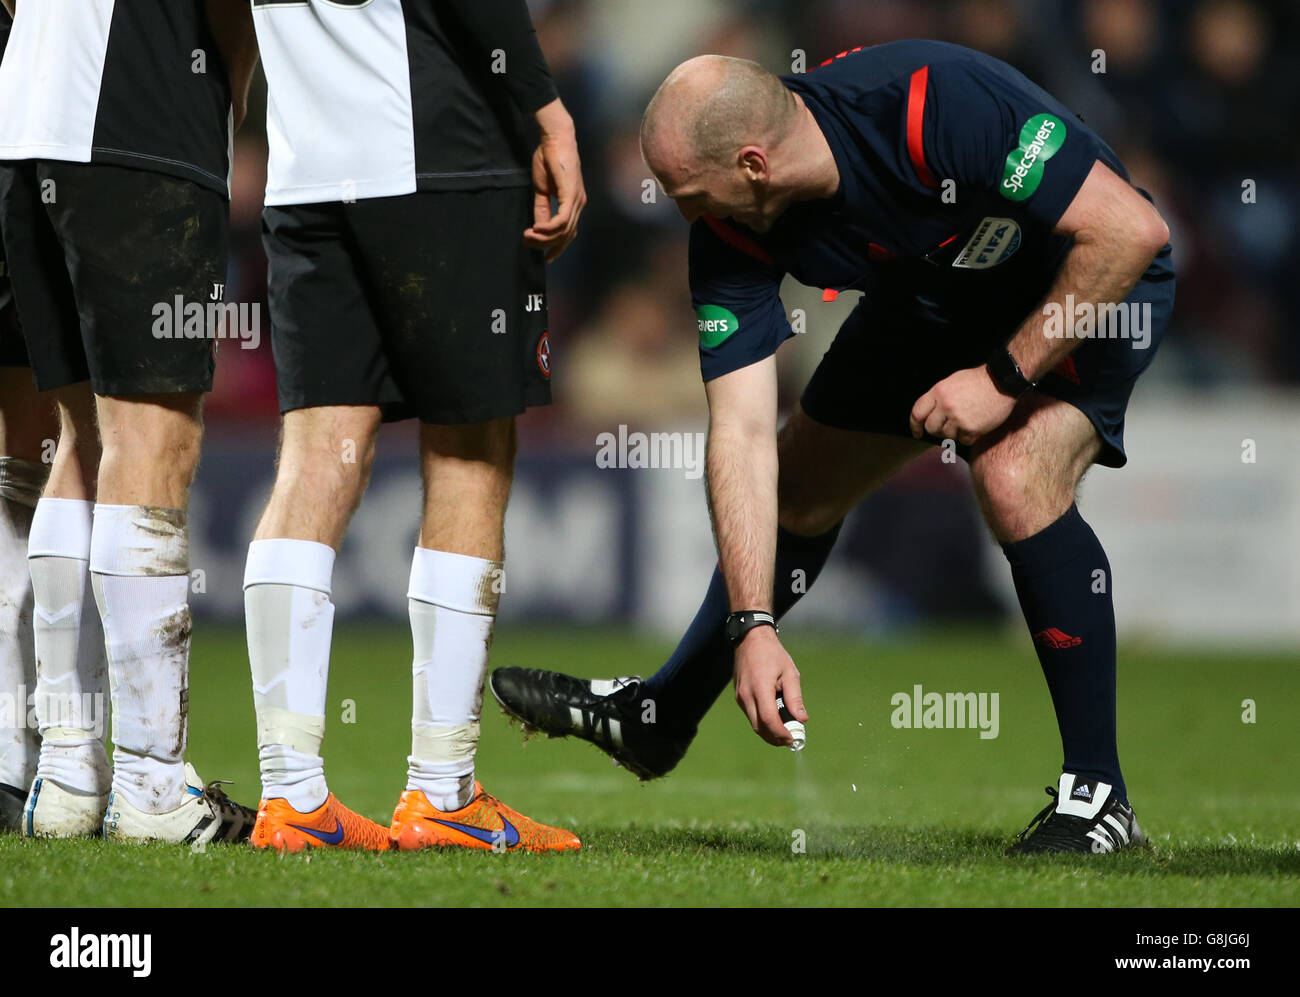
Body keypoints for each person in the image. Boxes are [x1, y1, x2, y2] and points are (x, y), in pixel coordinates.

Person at [491, 43, 1174, 855]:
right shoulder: (731, 230)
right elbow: (742, 435)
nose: (677, 211)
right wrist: (752, 624)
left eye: (683, 192)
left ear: (751, 164)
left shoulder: (931, 106)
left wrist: (1002, 376)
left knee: (1014, 475)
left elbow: (1131, 229)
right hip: (932, 295)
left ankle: (1099, 795)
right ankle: (660, 717)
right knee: (799, 491)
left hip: (1080, 284)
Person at [244, 0, 586, 853]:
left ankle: (290, 798)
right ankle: (442, 791)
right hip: (440, 148)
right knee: (471, 449)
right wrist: (547, 107)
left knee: (316, 454)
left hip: (306, 160)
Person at [0, 0, 261, 843]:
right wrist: (236, 83)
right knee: (152, 440)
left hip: (26, 119)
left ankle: (69, 775)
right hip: (139, 121)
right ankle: (152, 785)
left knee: (80, 435)